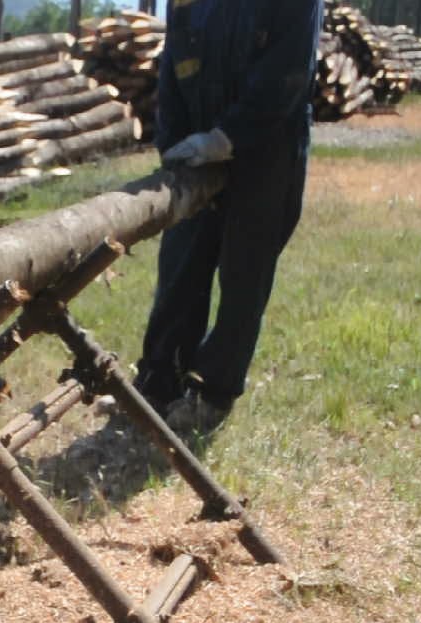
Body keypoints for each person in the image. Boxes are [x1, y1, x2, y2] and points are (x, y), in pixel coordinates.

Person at [133, 0, 322, 433]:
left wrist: (228, 136)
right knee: (180, 268)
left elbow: (287, 73)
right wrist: (173, 147)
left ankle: (212, 394)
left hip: (268, 151)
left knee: (244, 279)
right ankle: (158, 383)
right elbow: (174, 66)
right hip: (197, 151)